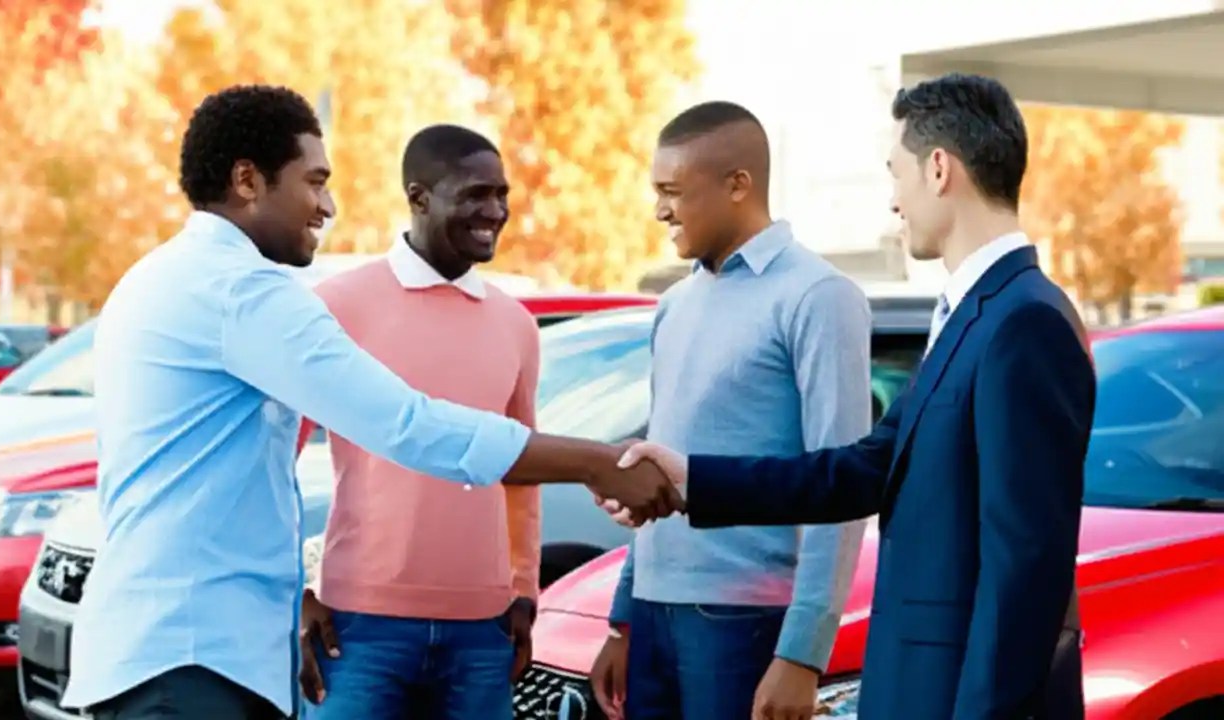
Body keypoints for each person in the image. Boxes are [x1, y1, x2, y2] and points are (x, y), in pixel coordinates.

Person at [62, 85, 680, 720]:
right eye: (314, 182)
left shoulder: (160, 275)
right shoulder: (240, 291)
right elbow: (408, 425)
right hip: (190, 661)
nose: (327, 206)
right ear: (247, 180)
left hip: (173, 650)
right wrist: (597, 463)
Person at [617, 74, 1096, 720]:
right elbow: (862, 469)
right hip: (918, 685)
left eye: (894, 173)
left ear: (937, 169)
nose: (893, 201)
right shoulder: (973, 313)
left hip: (958, 695)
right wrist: (694, 480)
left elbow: (1026, 573)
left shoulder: (1024, 320)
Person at [589, 101, 873, 720]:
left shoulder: (820, 297)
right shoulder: (674, 304)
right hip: (654, 617)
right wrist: (623, 617)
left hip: (744, 620)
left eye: (673, 191)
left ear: (738, 185)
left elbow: (843, 488)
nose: (659, 210)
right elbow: (658, 461)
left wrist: (803, 652)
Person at [294, 124, 542, 719]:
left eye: (502, 195)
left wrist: (523, 592)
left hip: (483, 632)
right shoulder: (337, 305)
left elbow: (520, 471)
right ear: (419, 196)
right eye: (476, 194)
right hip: (359, 628)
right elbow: (274, 458)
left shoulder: (515, 324)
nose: (495, 211)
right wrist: (293, 593)